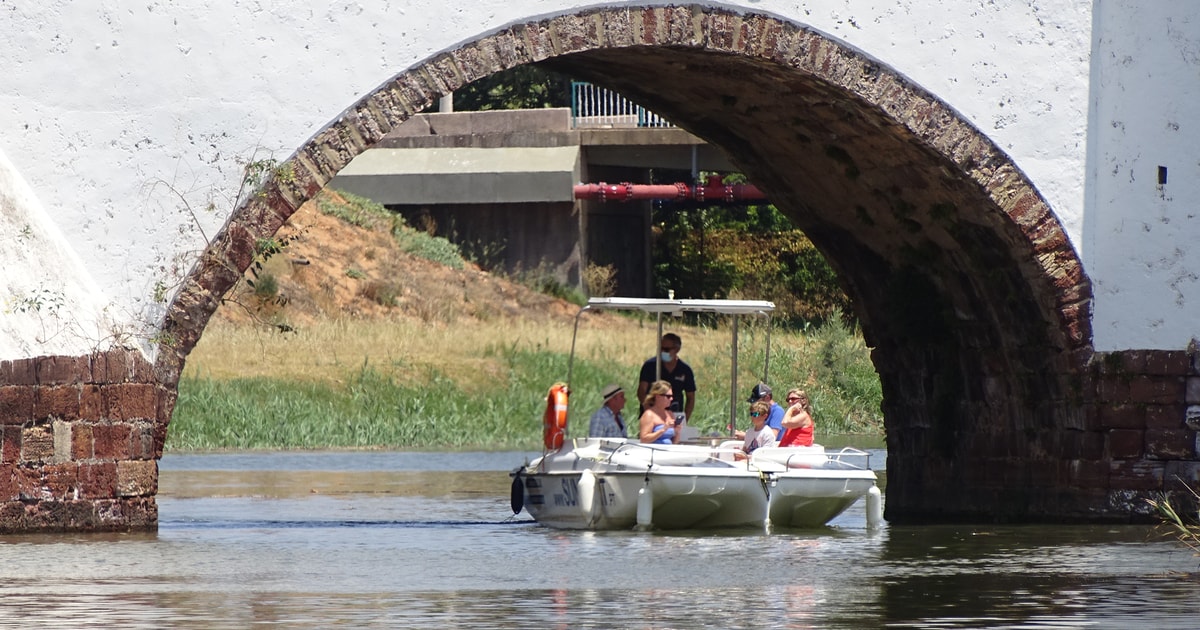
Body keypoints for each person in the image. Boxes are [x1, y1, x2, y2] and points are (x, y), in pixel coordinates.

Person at [636, 333, 696, 423]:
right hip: (651, 417)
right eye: (661, 348)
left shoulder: (685, 370)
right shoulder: (650, 366)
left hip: (674, 417)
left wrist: (684, 420)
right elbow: (641, 391)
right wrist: (649, 410)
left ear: (677, 349)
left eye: (667, 349)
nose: (663, 352)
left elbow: (691, 397)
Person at [639, 380, 680, 444]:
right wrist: (663, 430)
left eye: (672, 396)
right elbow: (644, 439)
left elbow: (674, 442)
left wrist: (677, 432)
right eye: (668, 396)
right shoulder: (649, 415)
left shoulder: (670, 414)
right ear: (658, 396)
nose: (671, 399)